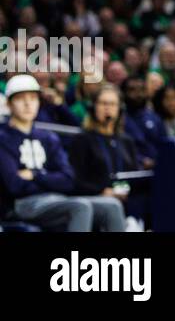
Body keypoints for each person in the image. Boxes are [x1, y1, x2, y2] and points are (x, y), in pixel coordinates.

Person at [0, 74, 125, 231]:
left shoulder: (48, 137)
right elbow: (14, 185)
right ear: (9, 104)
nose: (27, 104)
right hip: (21, 204)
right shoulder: (3, 138)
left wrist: (35, 175)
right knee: (80, 206)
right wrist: (51, 180)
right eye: (20, 98)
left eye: (33, 98)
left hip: (55, 198)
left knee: (112, 206)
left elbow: (68, 179)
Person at [67, 84, 142, 223]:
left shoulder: (126, 141)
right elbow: (75, 180)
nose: (108, 107)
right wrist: (102, 191)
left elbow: (134, 175)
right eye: (103, 103)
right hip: (95, 200)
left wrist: (126, 191)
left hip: (126, 200)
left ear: (120, 109)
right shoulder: (82, 139)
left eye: (113, 104)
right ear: (93, 107)